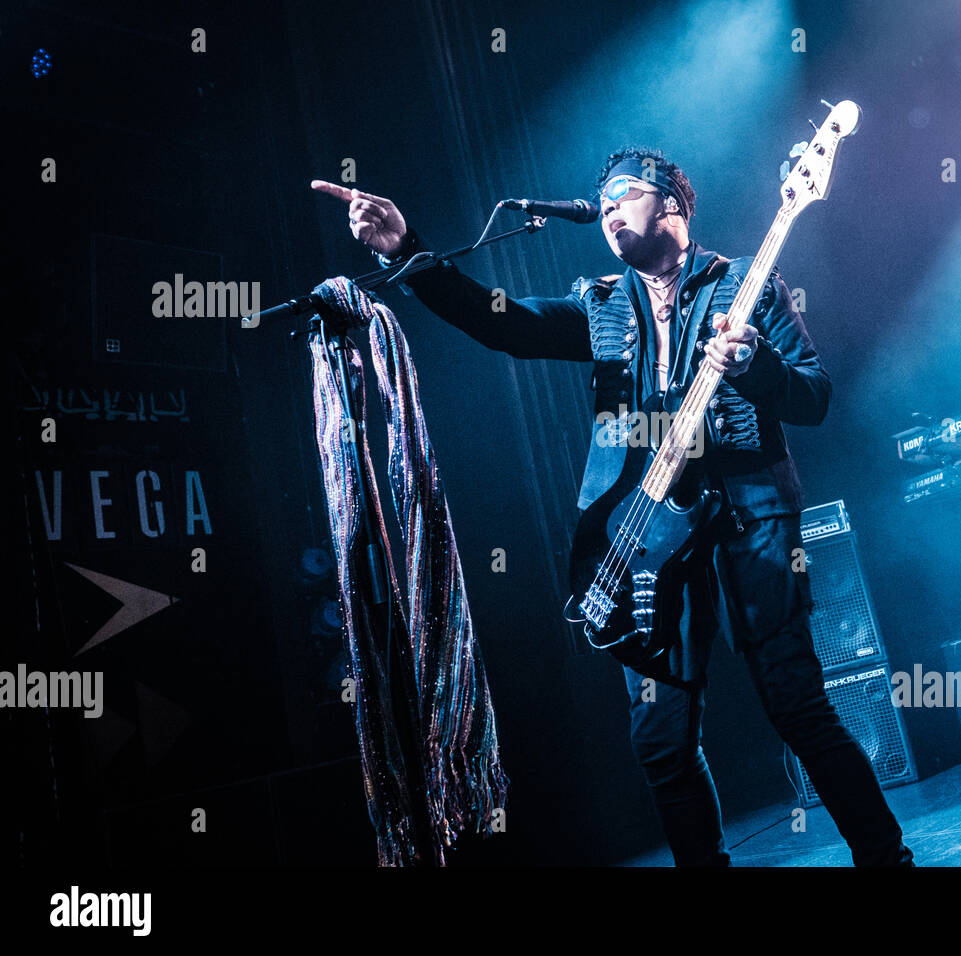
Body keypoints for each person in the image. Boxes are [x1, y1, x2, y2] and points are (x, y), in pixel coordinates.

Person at [310, 147, 913, 867]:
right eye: (601, 204)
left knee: (797, 705)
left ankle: (885, 859)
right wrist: (406, 249)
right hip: (646, 533)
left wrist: (758, 367)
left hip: (750, 520)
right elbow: (503, 324)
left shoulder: (748, 288)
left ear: (674, 207)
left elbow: (813, 399)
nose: (608, 212)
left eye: (624, 196)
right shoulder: (601, 306)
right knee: (659, 738)